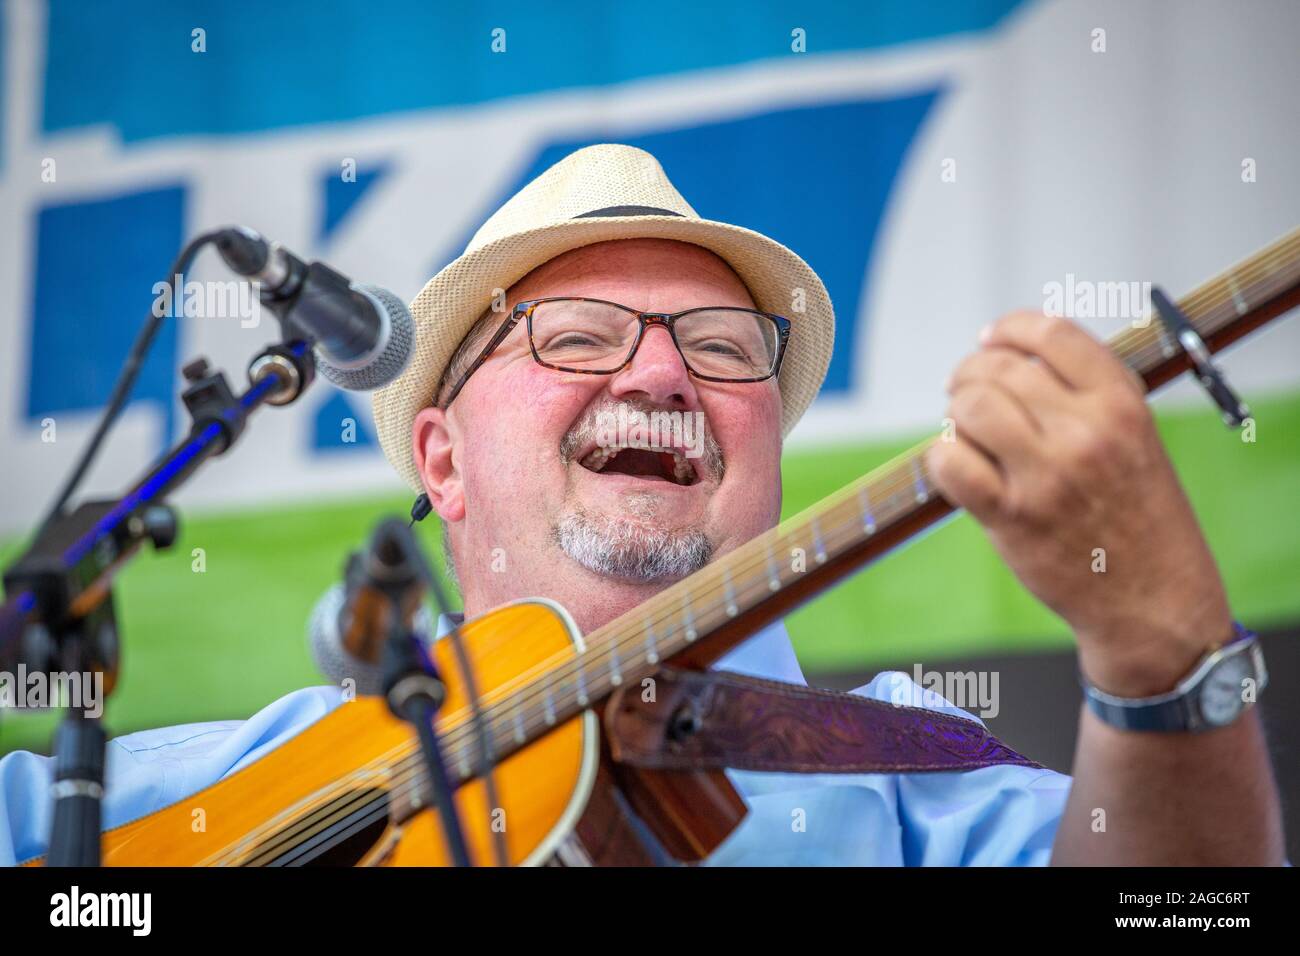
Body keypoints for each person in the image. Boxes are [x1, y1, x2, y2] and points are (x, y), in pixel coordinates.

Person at [0, 144, 1282, 866]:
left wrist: (1161, 659)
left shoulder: (924, 798)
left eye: (726, 347)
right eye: (575, 331)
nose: (662, 370)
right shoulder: (154, 808)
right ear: (439, 462)